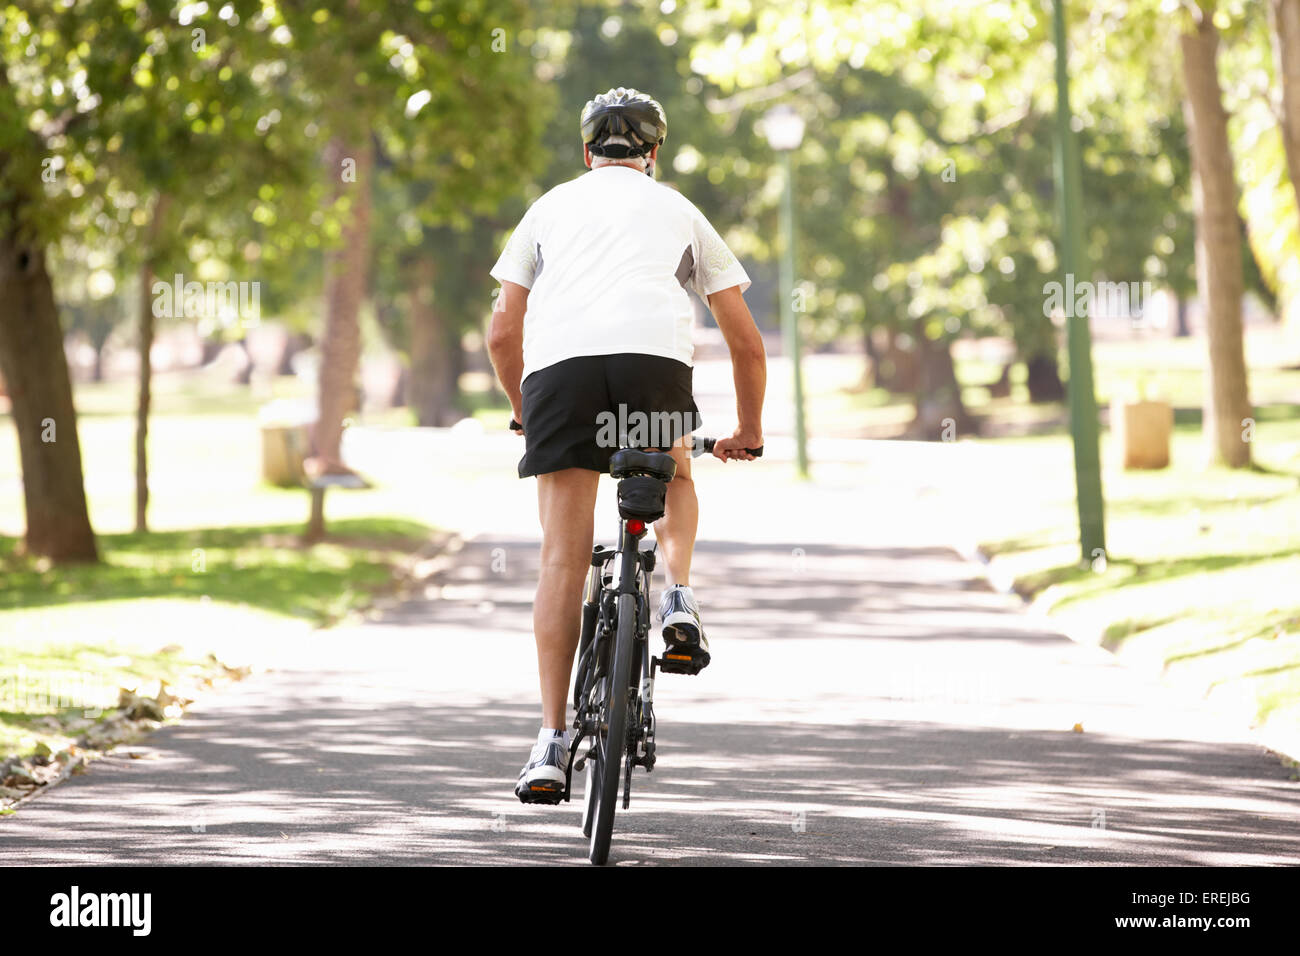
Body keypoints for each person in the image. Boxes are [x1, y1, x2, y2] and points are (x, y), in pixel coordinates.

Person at [486, 88, 767, 803]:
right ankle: (676, 596)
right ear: (653, 153)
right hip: (651, 367)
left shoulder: (548, 208)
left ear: (587, 153)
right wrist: (748, 430)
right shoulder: (680, 211)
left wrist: (526, 412)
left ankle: (551, 742)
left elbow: (500, 333)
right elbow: (745, 340)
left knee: (562, 556)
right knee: (671, 472)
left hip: (560, 377)